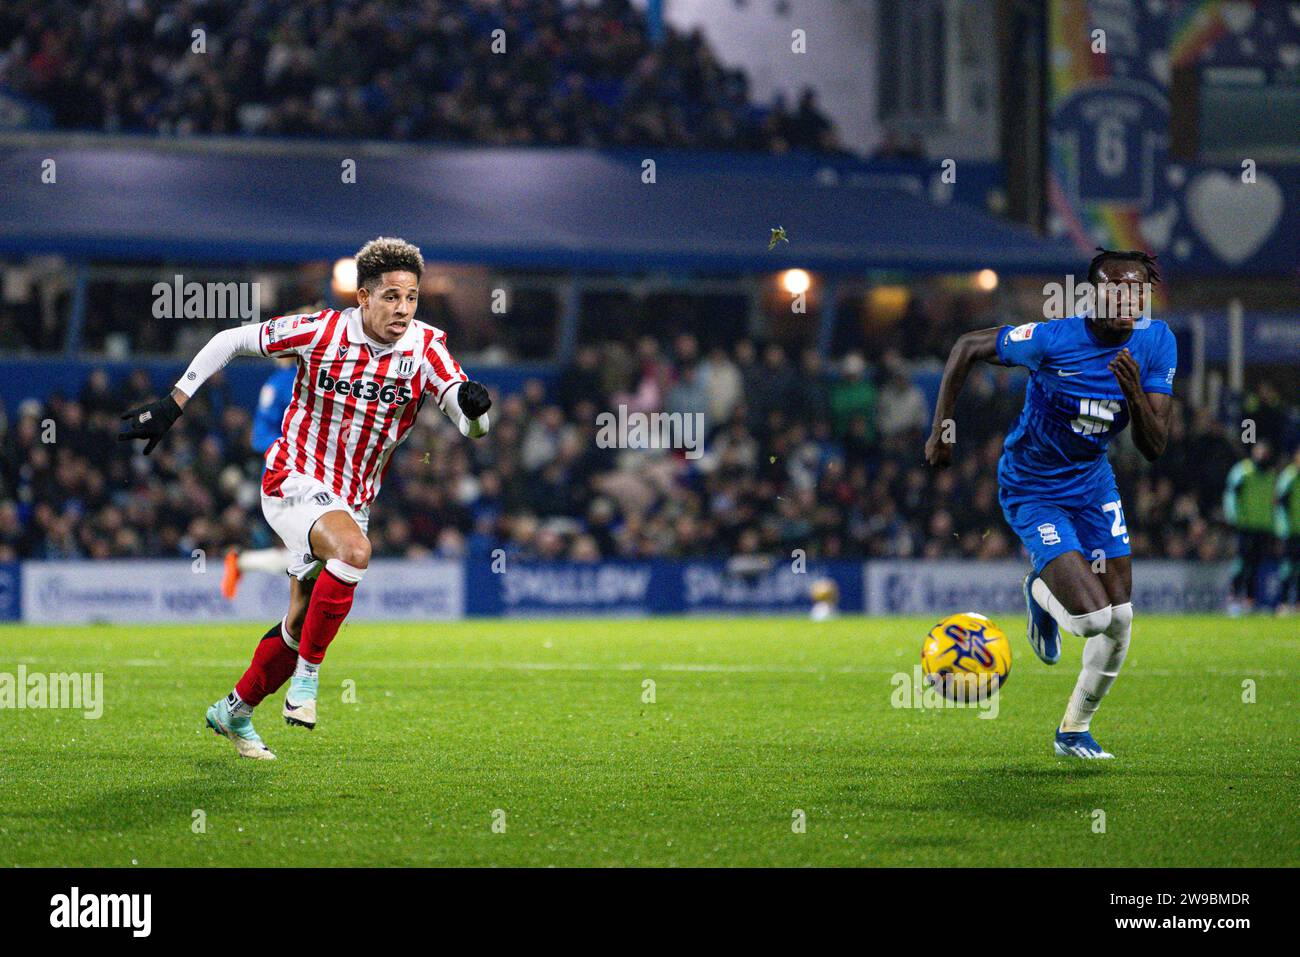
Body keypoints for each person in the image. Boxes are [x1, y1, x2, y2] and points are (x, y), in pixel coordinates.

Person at [119, 238, 493, 760]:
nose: (402, 310)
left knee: (299, 622)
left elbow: (469, 420)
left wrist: (474, 409)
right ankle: (308, 683)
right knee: (354, 552)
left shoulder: (427, 347)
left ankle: (234, 711)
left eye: (410, 298)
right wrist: (174, 402)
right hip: (294, 477)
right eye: (390, 297)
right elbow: (230, 339)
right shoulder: (320, 331)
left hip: (351, 497)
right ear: (363, 297)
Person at [925, 248, 1176, 759]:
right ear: (1094, 295)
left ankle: (1073, 731)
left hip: (1092, 486)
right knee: (1088, 620)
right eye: (1118, 289)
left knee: (1120, 619)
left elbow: (1154, 447)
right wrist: (942, 429)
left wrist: (1132, 394)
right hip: (1033, 487)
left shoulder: (1157, 342)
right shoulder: (1052, 340)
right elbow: (967, 346)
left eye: (1138, 289)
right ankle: (1039, 589)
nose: (1130, 298)